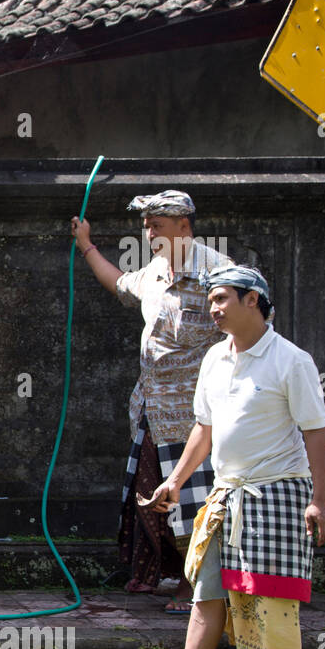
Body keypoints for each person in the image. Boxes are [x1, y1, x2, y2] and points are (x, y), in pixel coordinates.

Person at [129, 265, 325, 649]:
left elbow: (317, 434)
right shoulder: (214, 359)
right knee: (207, 588)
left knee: (270, 593)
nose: (213, 309)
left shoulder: (290, 360)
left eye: (222, 299)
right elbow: (204, 428)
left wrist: (318, 500)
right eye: (211, 300)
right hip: (226, 493)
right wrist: (175, 481)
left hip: (278, 491)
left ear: (252, 300)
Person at [71, 190, 231, 614]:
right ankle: (166, 573)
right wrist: (86, 245)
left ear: (184, 226)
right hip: (151, 410)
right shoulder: (154, 273)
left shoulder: (219, 273)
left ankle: (194, 585)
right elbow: (120, 285)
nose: (149, 232)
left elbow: (252, 328)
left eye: (157, 224)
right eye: (146, 225)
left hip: (199, 417)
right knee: (154, 499)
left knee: (196, 503)